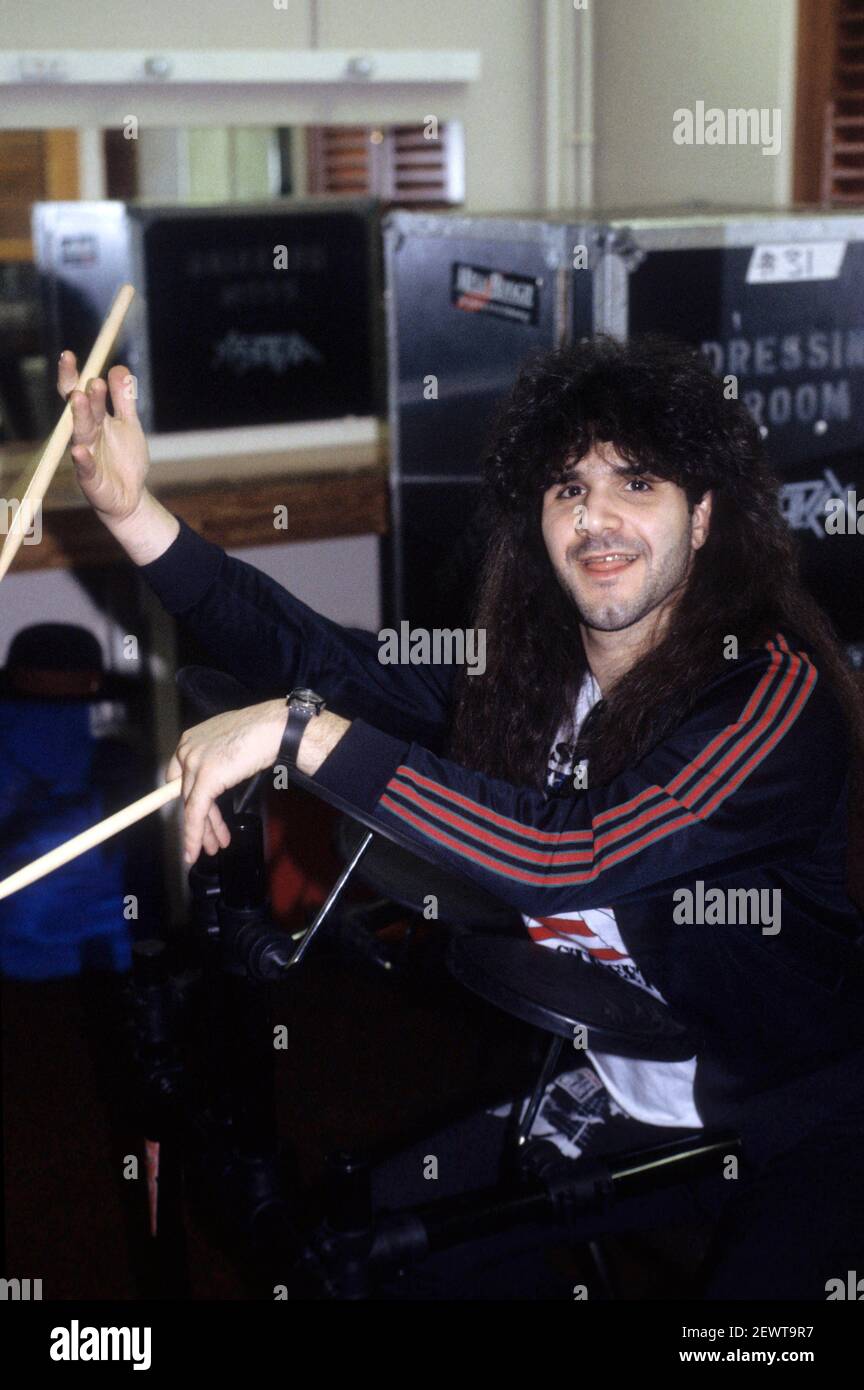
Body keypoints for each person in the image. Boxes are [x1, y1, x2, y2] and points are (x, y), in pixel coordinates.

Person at [57, 335, 864, 1299]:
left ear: (703, 515)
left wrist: (303, 736)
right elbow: (320, 658)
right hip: (628, 1089)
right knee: (349, 1259)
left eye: (637, 483)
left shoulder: (771, 698)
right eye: (567, 489)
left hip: (805, 1110)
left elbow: (565, 854)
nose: (596, 518)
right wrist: (133, 514)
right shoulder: (532, 680)